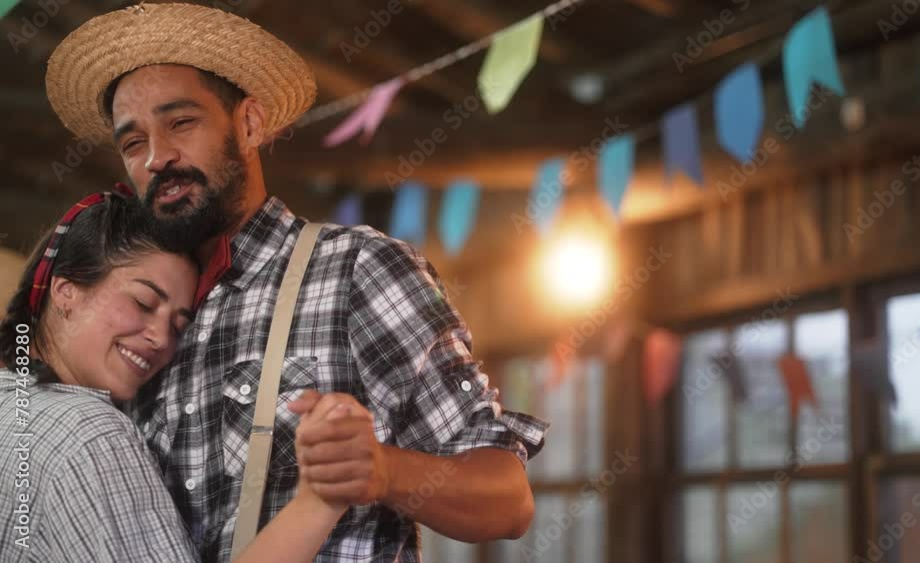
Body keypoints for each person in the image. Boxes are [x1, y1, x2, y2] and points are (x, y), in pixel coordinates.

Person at [45, 3, 549, 562]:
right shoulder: (132, 327)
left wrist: (382, 470)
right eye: (133, 143)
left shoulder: (357, 269)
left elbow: (508, 502)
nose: (157, 158)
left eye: (181, 123)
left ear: (249, 124)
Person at [0, 189, 356, 561]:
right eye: (143, 303)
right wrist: (320, 499)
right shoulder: (90, 433)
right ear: (65, 291)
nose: (160, 338)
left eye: (177, 326)